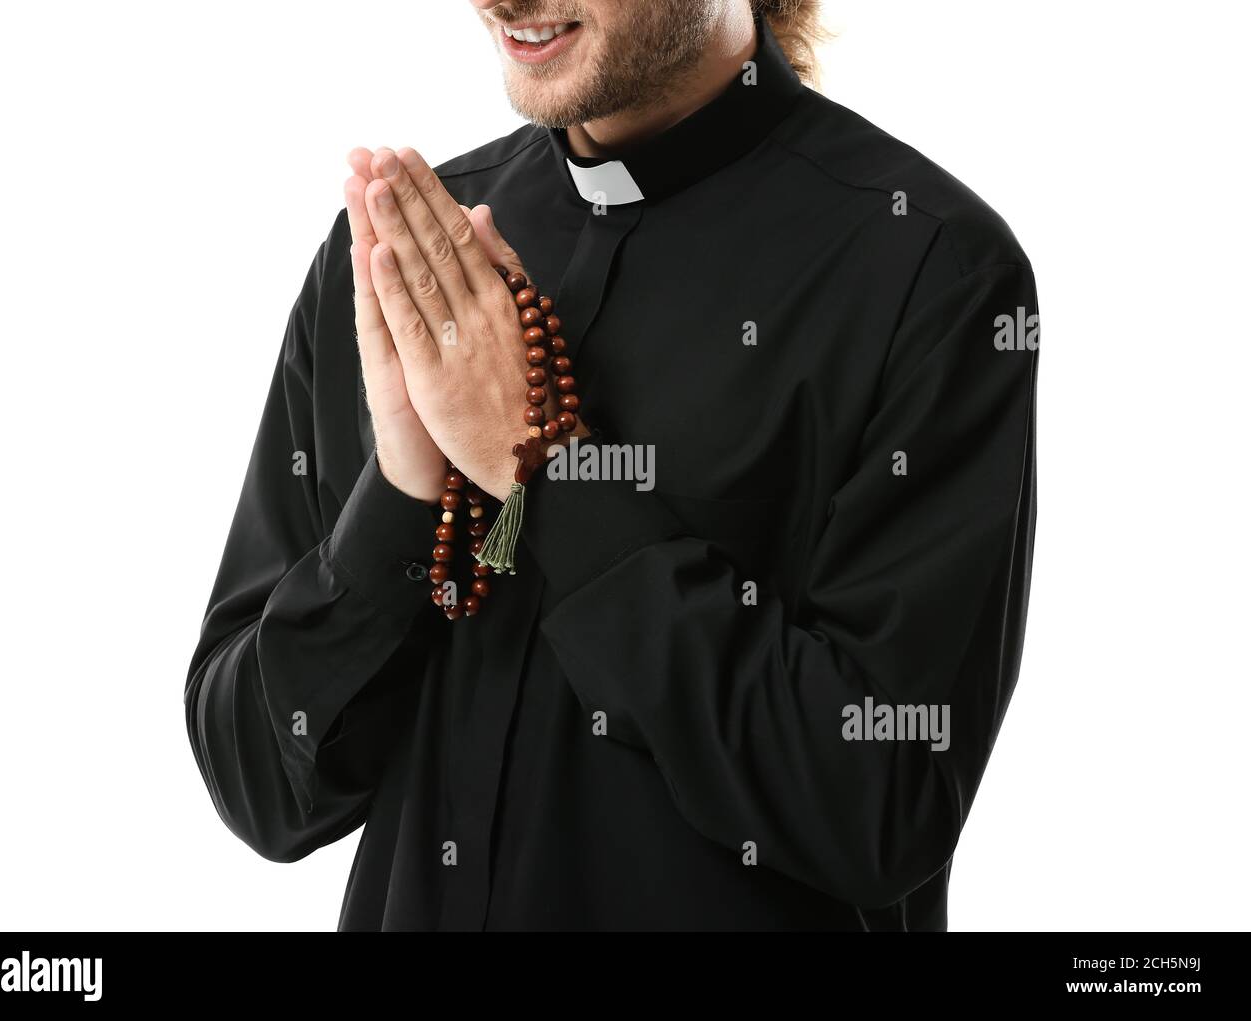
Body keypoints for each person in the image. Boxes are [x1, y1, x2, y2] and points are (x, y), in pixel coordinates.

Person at [185, 0, 1039, 931]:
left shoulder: (929, 271)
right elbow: (260, 787)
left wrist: (540, 463)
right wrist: (400, 492)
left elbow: (881, 811)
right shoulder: (409, 263)